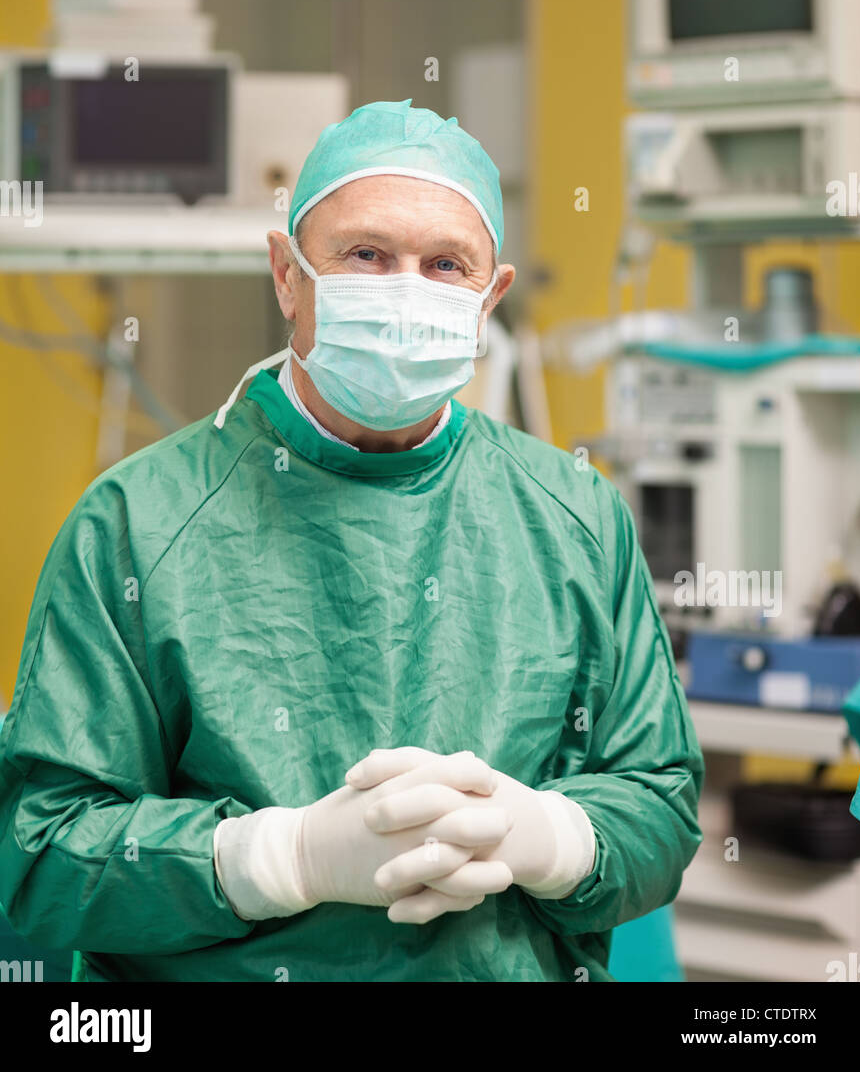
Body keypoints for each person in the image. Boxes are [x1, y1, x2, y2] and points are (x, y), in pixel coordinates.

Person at [0, 99, 703, 982]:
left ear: (492, 297)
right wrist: (276, 859)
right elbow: (42, 857)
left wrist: (548, 838)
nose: (406, 288)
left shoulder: (575, 518)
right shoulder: (137, 525)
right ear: (287, 275)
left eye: (446, 264)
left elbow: (661, 807)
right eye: (366, 255)